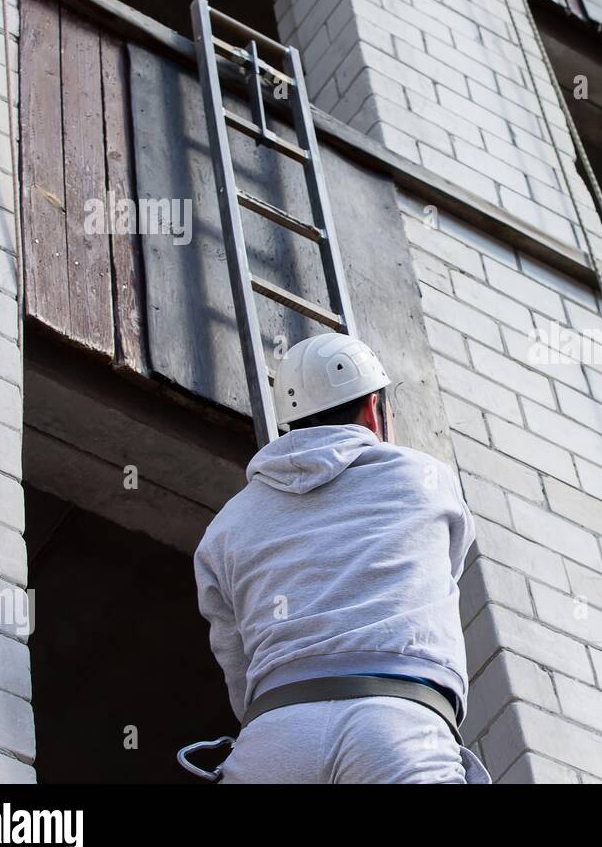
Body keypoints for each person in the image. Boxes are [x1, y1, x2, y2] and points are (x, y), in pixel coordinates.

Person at [188, 333, 488, 783]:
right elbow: (444, 570)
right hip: (396, 724)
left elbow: (236, 660)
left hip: (275, 738)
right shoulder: (422, 478)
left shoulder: (227, 527)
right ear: (372, 408)